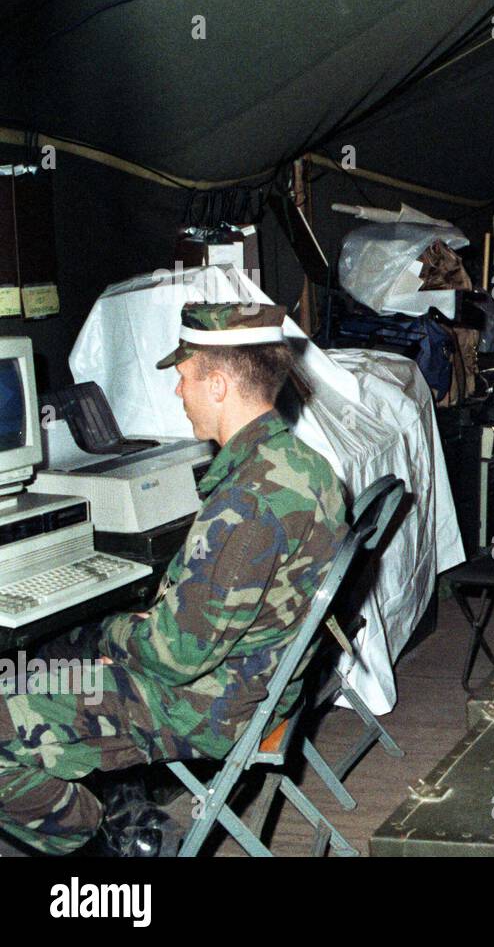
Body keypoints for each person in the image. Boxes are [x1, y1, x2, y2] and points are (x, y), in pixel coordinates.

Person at [0, 297, 347, 855]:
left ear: (218, 386)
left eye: (184, 377)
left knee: (36, 683)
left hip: (207, 706)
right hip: (254, 681)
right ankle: (114, 795)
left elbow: (172, 657)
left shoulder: (247, 502)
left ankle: (96, 843)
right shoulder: (304, 466)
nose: (177, 391)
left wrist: (111, 636)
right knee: (51, 659)